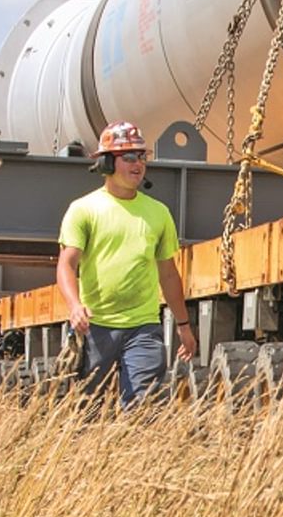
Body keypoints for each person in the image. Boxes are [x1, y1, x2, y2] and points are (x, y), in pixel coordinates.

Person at [56, 121, 197, 407]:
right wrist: (74, 306)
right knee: (88, 411)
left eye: (142, 156)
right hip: (95, 327)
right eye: (129, 157)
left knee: (144, 408)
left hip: (143, 326)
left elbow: (168, 274)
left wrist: (184, 326)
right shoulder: (83, 210)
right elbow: (66, 266)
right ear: (107, 163)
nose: (138, 164)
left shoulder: (158, 213)